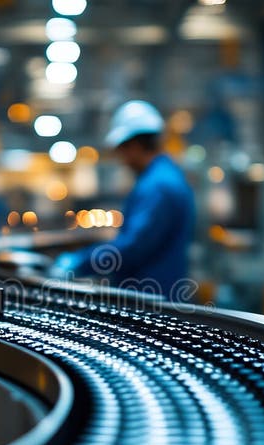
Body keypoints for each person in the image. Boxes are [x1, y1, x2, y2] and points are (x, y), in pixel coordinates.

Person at [54, 100, 195, 300]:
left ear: (135, 145)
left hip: (151, 301)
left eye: (122, 149)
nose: (121, 158)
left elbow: (133, 247)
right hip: (158, 295)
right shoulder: (166, 177)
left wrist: (81, 262)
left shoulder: (158, 186)